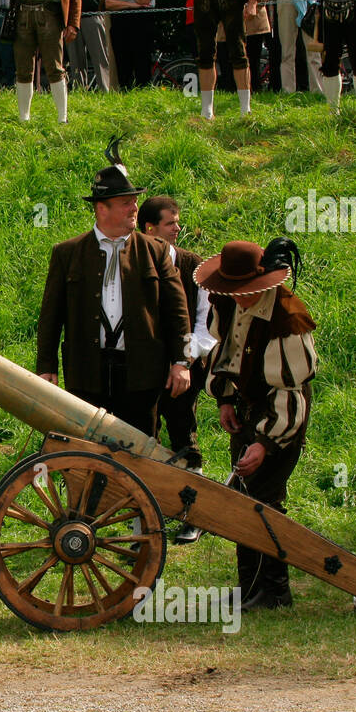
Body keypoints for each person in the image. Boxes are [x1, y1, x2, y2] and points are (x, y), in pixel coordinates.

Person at [36, 141, 190, 440]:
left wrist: (181, 362)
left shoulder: (155, 250)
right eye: (126, 202)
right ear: (101, 208)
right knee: (85, 449)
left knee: (140, 449)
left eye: (134, 201)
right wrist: (46, 366)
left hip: (141, 374)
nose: (135, 208)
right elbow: (51, 315)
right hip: (86, 372)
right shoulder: (67, 253)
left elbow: (177, 310)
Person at [196, 238, 318, 609]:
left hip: (281, 416)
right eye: (234, 292)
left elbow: (291, 391)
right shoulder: (229, 303)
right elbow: (226, 354)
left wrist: (264, 442)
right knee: (241, 498)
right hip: (246, 408)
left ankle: (274, 590)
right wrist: (226, 400)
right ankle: (249, 586)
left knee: (264, 500)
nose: (240, 298)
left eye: (245, 292)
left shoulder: (288, 319)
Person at [139, 196, 214, 547]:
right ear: (149, 228)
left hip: (184, 372)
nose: (177, 228)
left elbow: (204, 323)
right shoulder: (134, 263)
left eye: (177, 222)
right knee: (143, 442)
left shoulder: (191, 265)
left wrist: (182, 363)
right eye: (171, 223)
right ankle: (144, 524)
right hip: (144, 371)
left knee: (184, 437)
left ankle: (192, 516)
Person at [105, 0, 158, 89]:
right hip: (120, 22)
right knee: (122, 62)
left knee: (142, 60)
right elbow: (109, 3)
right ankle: (125, 94)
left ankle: (144, 93)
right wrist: (131, 5)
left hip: (142, 21)